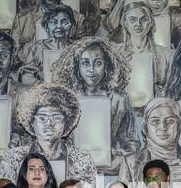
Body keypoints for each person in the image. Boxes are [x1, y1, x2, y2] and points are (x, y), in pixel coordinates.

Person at [49, 36, 137, 169]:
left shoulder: (120, 99)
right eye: (85, 63)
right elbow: (57, 139)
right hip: (74, 167)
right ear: (76, 66)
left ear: (107, 65)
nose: (91, 69)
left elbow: (131, 141)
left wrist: (120, 154)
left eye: (98, 63)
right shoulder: (67, 99)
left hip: (110, 166)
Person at [0, 83, 98, 188]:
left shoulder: (82, 159)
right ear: (31, 121)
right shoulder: (13, 159)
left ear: (66, 122)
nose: (49, 124)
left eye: (56, 118)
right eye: (42, 118)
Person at [115, 98, 181, 188]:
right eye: (155, 121)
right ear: (145, 128)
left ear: (179, 126)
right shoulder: (130, 163)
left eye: (170, 121)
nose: (162, 127)